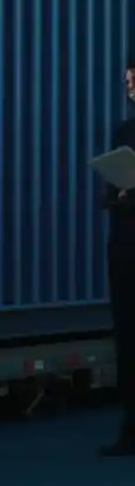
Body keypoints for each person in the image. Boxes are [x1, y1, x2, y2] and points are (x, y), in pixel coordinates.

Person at [100, 62, 135, 457]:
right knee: (127, 338)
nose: (128, 85)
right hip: (125, 246)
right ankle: (131, 427)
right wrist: (115, 196)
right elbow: (113, 187)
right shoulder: (125, 131)